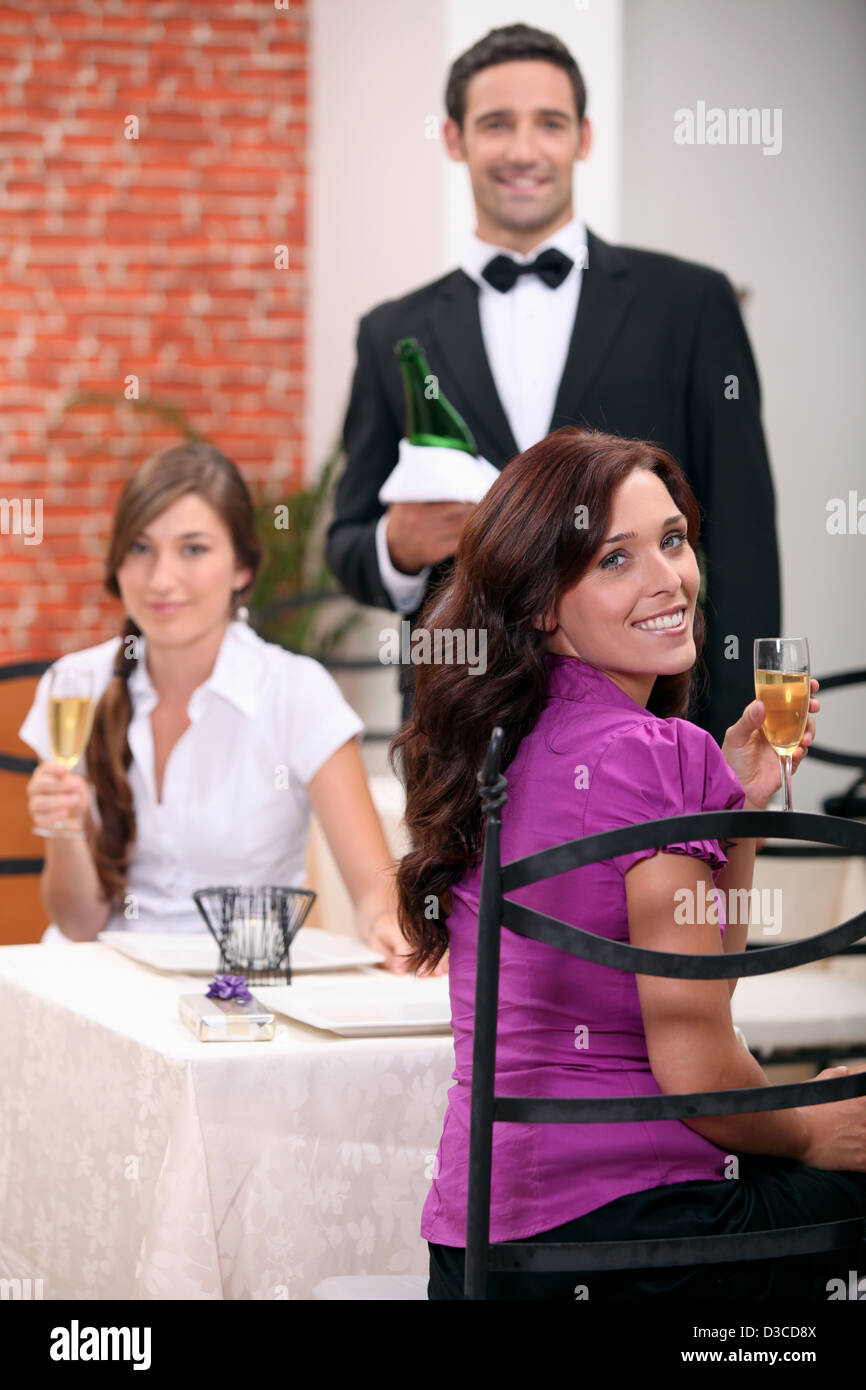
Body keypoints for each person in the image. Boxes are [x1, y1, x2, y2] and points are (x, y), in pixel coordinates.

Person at [391, 426, 866, 1300]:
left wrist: (740, 814)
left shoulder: (500, 747)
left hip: (478, 1256)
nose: (668, 580)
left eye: (673, 541)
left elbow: (694, 996)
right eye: (615, 559)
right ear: (541, 604)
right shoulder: (652, 751)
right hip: (635, 1241)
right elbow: (694, 1069)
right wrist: (809, 1126)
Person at [326, 22, 780, 747]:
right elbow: (346, 544)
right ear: (454, 138)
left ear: (584, 137)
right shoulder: (391, 332)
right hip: (463, 730)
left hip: (656, 724)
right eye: (496, 124)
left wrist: (728, 742)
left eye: (550, 123)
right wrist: (397, 545)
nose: (524, 150)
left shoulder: (691, 304)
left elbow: (744, 535)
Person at [20, 442, 418, 972]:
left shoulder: (296, 692)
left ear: (242, 569)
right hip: (102, 987)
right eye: (140, 549)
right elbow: (77, 925)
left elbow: (376, 898)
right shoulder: (75, 686)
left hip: (241, 987)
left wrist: (389, 930)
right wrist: (65, 830)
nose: (162, 579)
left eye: (193, 549)